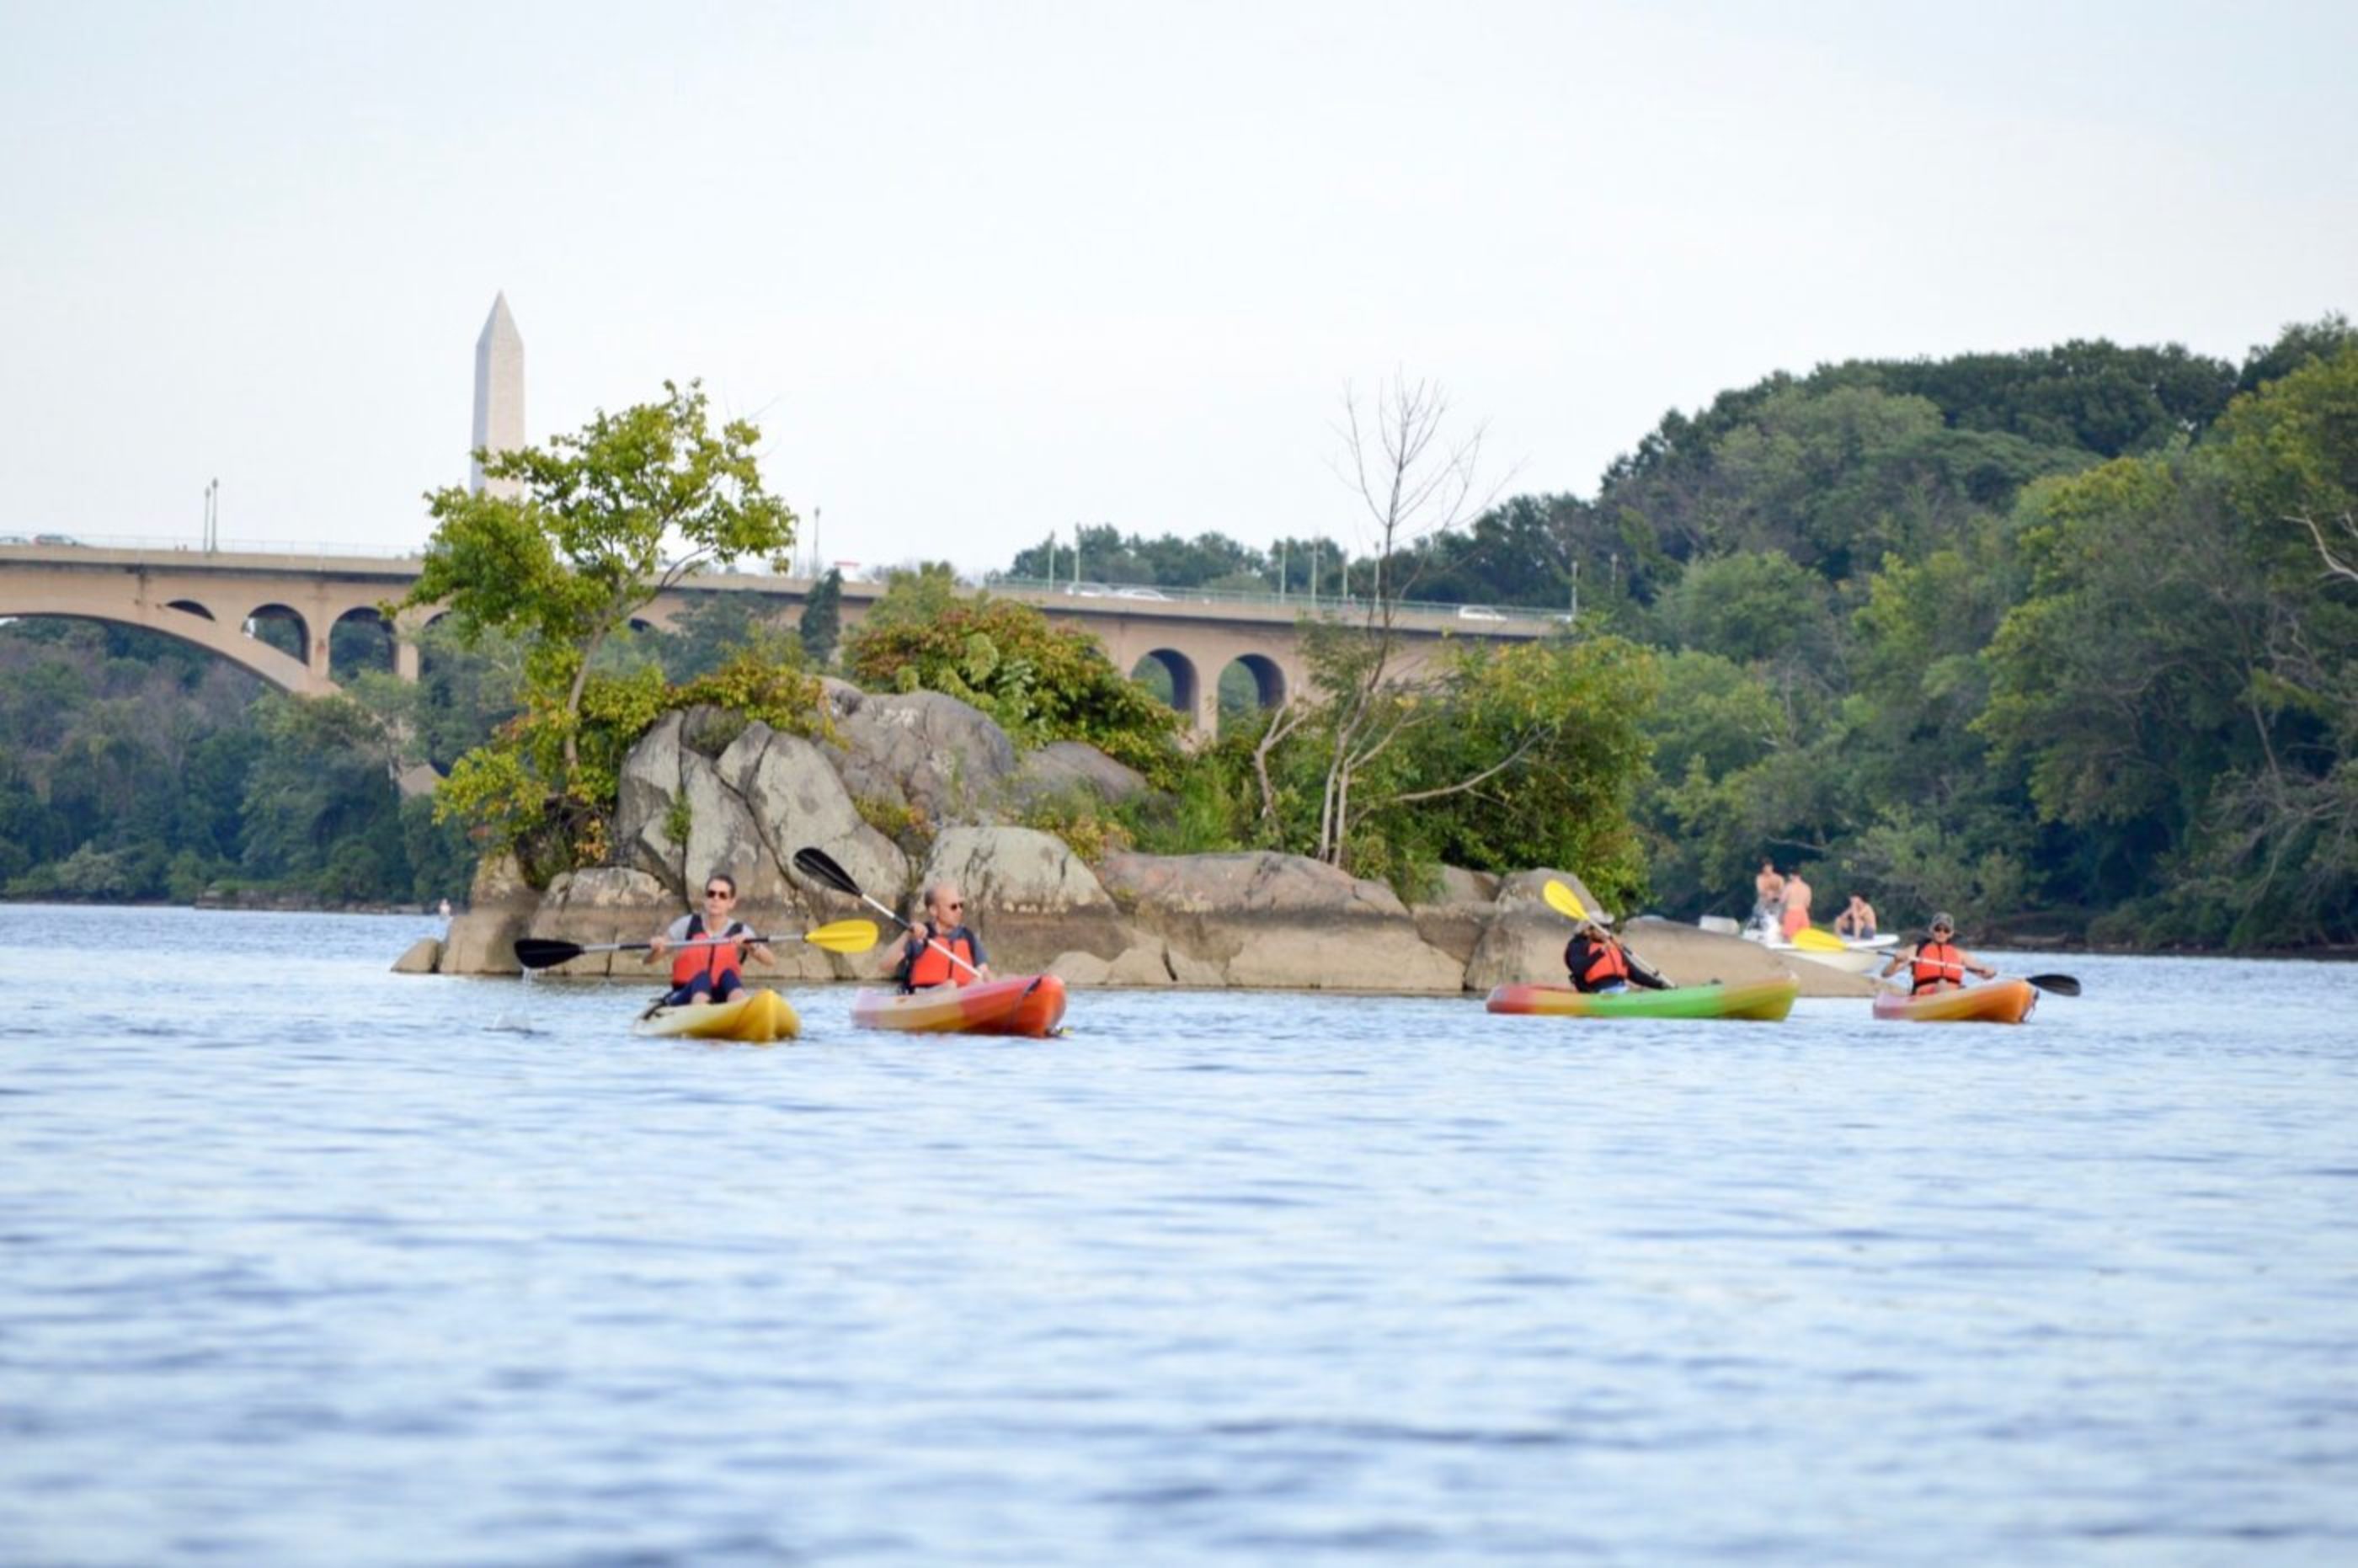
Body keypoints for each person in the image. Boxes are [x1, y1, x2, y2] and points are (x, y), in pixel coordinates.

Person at [645, 872, 776, 1006]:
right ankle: (701, 1010)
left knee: (729, 976)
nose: (716, 899)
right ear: (705, 899)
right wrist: (657, 948)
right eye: (711, 894)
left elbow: (770, 960)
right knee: (702, 978)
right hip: (685, 994)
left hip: (722, 997)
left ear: (731, 903)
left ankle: (741, 1008)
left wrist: (751, 946)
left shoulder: (741, 931)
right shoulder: (687, 924)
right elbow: (648, 961)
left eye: (722, 895)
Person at [896, 882, 994, 990]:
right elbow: (885, 966)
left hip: (960, 996)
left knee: (979, 982)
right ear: (934, 910)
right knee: (950, 985)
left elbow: (983, 971)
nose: (959, 910)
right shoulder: (921, 935)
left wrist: (991, 982)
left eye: (961, 905)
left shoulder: (968, 937)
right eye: (953, 907)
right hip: (924, 994)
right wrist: (906, 936)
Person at [1879, 912, 1996, 995]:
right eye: (1938, 929)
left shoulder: (1960, 954)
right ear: (1931, 930)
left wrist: (1990, 970)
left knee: (1951, 986)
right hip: (1925, 995)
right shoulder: (1916, 950)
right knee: (1942, 982)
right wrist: (1896, 961)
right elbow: (1885, 974)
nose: (1941, 933)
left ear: (1951, 934)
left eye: (1946, 930)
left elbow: (1984, 974)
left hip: (1954, 995)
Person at [1563, 915, 1669, 995]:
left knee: (1635, 992)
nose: (1606, 931)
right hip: (1596, 992)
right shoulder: (1578, 945)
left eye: (1608, 927)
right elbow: (1578, 969)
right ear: (1588, 930)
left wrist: (1660, 985)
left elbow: (1636, 975)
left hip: (1620, 990)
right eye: (1602, 927)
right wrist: (1599, 953)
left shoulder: (1613, 946)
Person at [1779, 867, 1815, 940]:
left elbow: (1781, 901)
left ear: (1791, 876)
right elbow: (1807, 904)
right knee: (1804, 937)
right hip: (1803, 914)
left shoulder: (1789, 887)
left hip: (1792, 913)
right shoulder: (1807, 887)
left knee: (1788, 937)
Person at [1751, 860, 1786, 931]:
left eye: (1769, 867)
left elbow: (1783, 891)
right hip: (1763, 901)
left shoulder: (1779, 878)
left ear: (1772, 868)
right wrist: (1768, 893)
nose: (1768, 870)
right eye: (1766, 868)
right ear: (1763, 869)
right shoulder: (1760, 878)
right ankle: (1756, 925)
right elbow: (1760, 890)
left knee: (1783, 906)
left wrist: (1774, 895)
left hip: (1776, 902)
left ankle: (1780, 927)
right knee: (1757, 908)